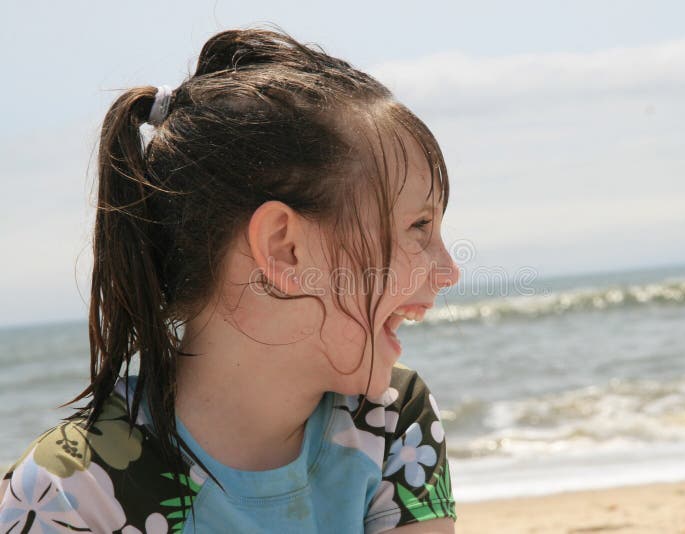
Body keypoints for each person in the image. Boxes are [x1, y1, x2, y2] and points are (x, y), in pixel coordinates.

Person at [0, 26, 460, 533]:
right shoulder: (72, 492)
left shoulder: (388, 424)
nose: (448, 270)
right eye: (419, 226)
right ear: (285, 249)